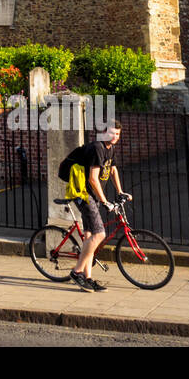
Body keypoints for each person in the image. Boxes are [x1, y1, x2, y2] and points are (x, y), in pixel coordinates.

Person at [64, 121, 131, 292]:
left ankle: (88, 279)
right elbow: (93, 179)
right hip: (83, 194)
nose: (115, 137)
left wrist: (120, 191)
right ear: (103, 132)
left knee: (90, 238)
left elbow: (113, 169)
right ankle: (76, 271)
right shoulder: (97, 148)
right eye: (111, 133)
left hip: (92, 195)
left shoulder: (110, 148)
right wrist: (104, 201)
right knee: (99, 234)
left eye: (117, 134)